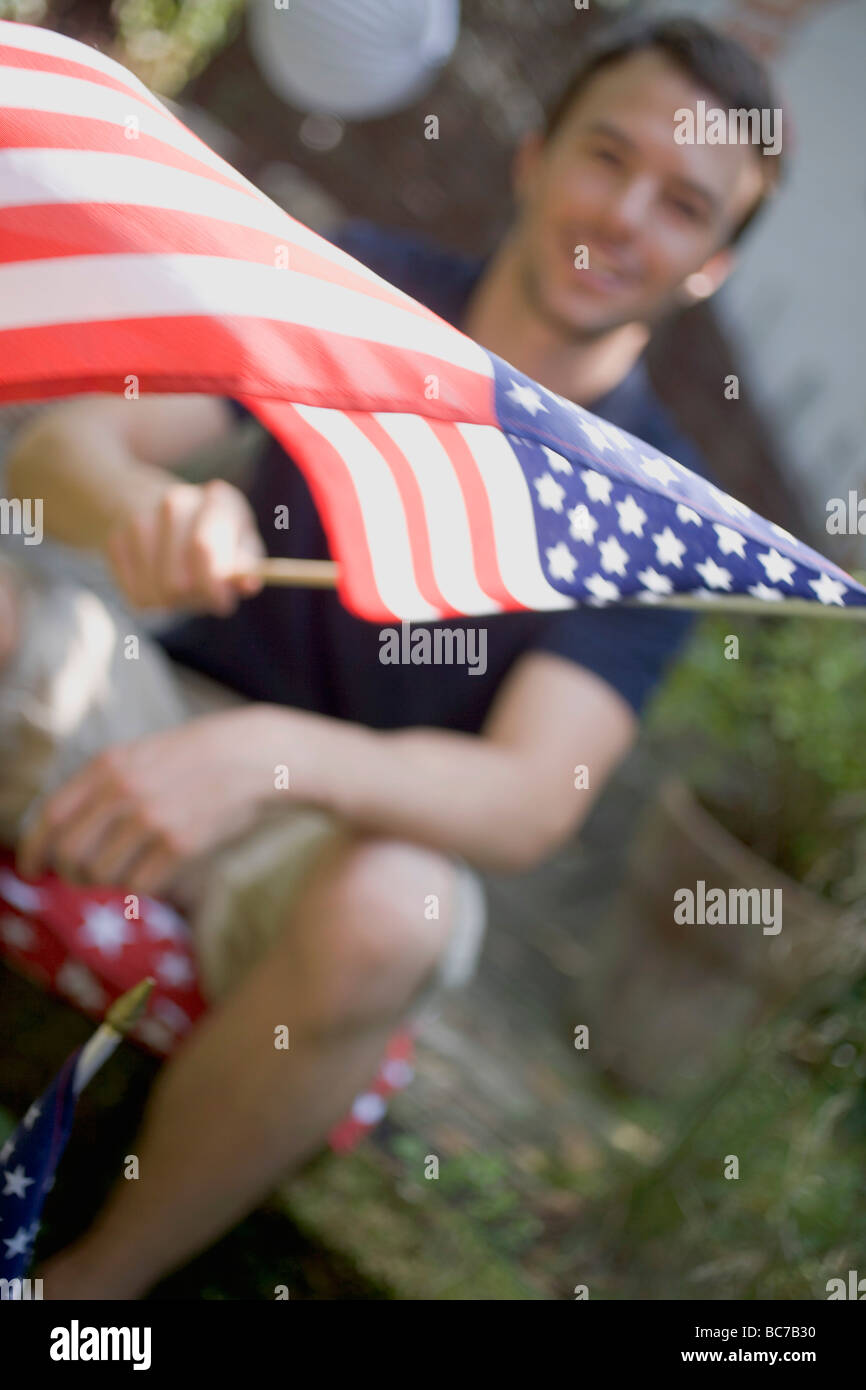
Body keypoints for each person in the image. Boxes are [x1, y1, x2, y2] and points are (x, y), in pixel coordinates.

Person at [0, 17, 783, 1298]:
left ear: (707, 265)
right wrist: (139, 514)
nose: (626, 214)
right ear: (533, 159)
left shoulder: (653, 511)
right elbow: (59, 457)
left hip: (324, 847)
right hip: (141, 714)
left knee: (402, 905)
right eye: (605, 155)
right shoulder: (358, 288)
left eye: (684, 203)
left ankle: (84, 1299)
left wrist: (268, 758)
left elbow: (530, 799)